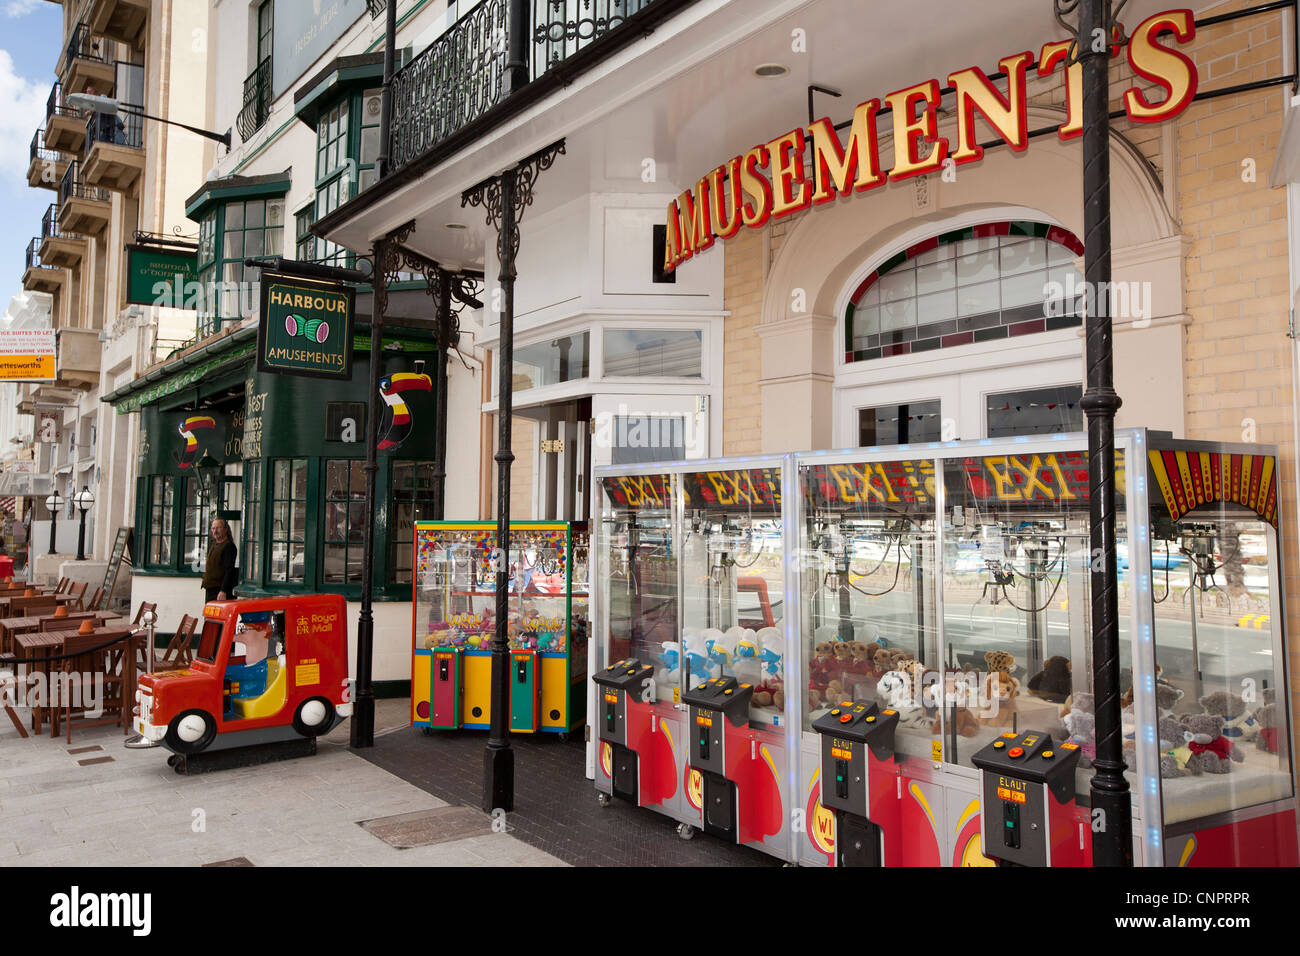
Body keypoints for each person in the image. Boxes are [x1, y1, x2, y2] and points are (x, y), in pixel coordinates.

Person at [202, 518, 237, 603]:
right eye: (213, 528)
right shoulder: (214, 544)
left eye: (218, 528)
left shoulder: (229, 547)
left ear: (225, 529)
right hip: (210, 589)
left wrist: (223, 590)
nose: (215, 531)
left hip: (219, 591)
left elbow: (229, 570)